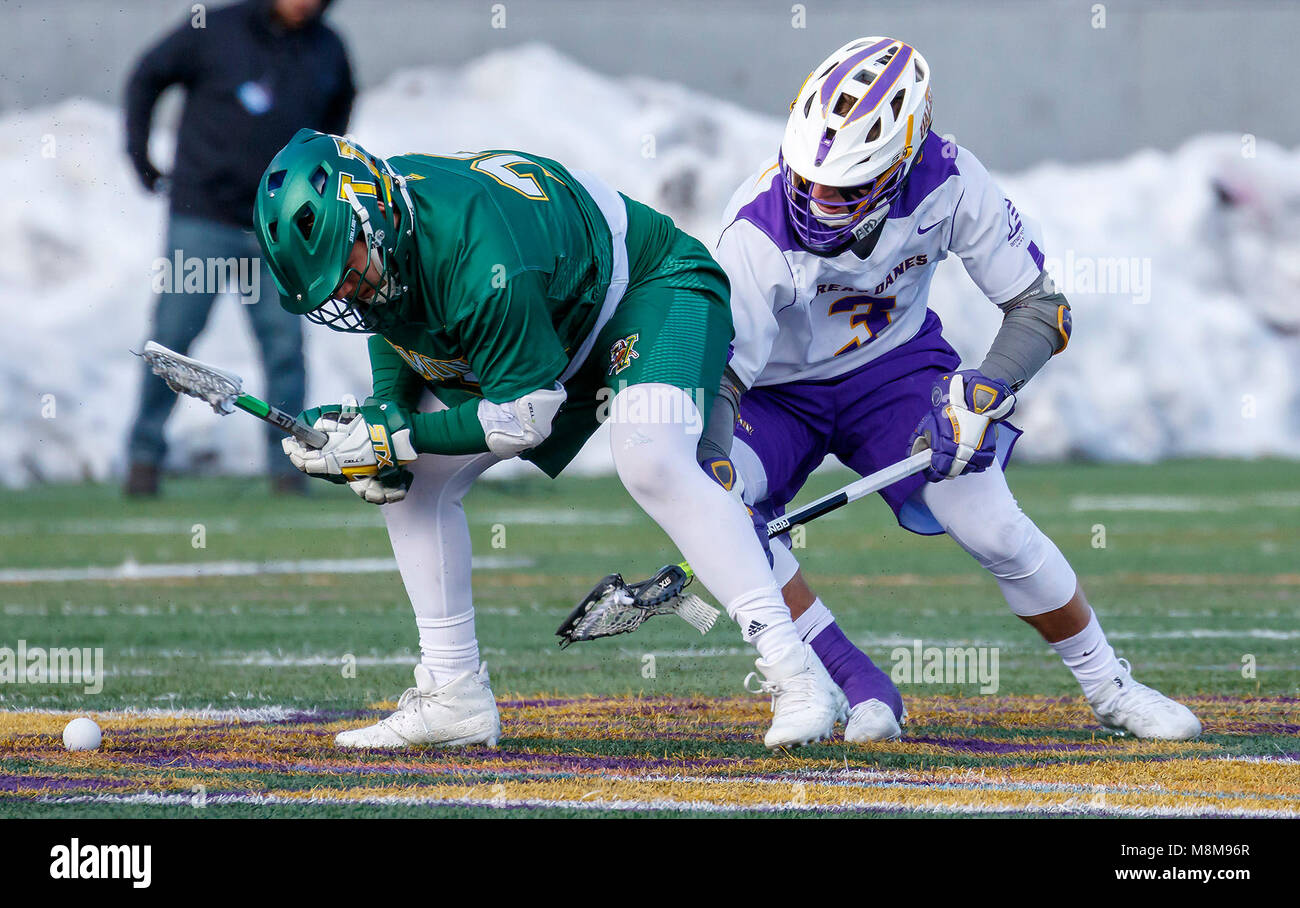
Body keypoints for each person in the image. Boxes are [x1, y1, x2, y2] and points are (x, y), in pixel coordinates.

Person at [252, 129, 842, 749]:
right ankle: (454, 695)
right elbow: (397, 323)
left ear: (373, 218)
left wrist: (393, 438)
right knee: (412, 485)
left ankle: (796, 672)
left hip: (646, 290)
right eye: (334, 288)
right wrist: (378, 424)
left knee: (651, 458)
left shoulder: (474, 251)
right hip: (555, 318)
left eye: (347, 272)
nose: (349, 294)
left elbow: (522, 418)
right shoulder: (392, 232)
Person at [700, 37, 1201, 742]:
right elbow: (719, 380)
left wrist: (983, 391)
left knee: (995, 527)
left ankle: (1112, 688)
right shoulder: (755, 228)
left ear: (901, 165)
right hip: (774, 393)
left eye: (843, 188)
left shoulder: (952, 177)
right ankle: (854, 682)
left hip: (894, 373)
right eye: (805, 176)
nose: (814, 200)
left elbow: (1040, 308)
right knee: (722, 498)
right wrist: (713, 479)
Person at [123, 0, 354, 496]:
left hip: (278, 232)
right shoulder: (216, 28)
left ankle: (289, 468)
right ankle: (143, 461)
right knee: (172, 340)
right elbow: (146, 77)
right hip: (202, 218)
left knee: (285, 349)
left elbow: (334, 139)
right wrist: (139, 155)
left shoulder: (329, 50)